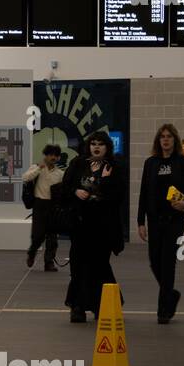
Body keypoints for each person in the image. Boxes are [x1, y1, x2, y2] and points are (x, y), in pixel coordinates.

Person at [137, 123, 184, 324]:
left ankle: (163, 311)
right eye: (162, 137)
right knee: (154, 261)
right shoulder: (150, 163)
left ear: (175, 140)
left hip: (175, 221)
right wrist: (140, 222)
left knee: (168, 263)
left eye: (169, 136)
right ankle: (171, 295)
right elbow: (143, 194)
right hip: (154, 220)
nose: (165, 140)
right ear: (158, 141)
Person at [57, 131, 126, 323]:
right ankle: (77, 306)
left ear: (107, 147)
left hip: (103, 226)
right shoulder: (78, 164)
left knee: (100, 265)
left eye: (101, 144)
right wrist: (75, 191)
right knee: (78, 265)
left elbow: (118, 196)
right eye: (93, 143)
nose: (96, 147)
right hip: (81, 224)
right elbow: (63, 191)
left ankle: (101, 305)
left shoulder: (114, 166)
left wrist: (103, 181)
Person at [22, 144, 66, 271]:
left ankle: (49, 262)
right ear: (45, 155)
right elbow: (25, 178)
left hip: (53, 206)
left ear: (58, 158)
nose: (53, 157)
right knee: (38, 235)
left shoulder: (60, 173)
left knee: (52, 237)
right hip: (39, 204)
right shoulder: (36, 167)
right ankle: (32, 252)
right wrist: (39, 169)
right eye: (50, 154)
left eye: (56, 155)